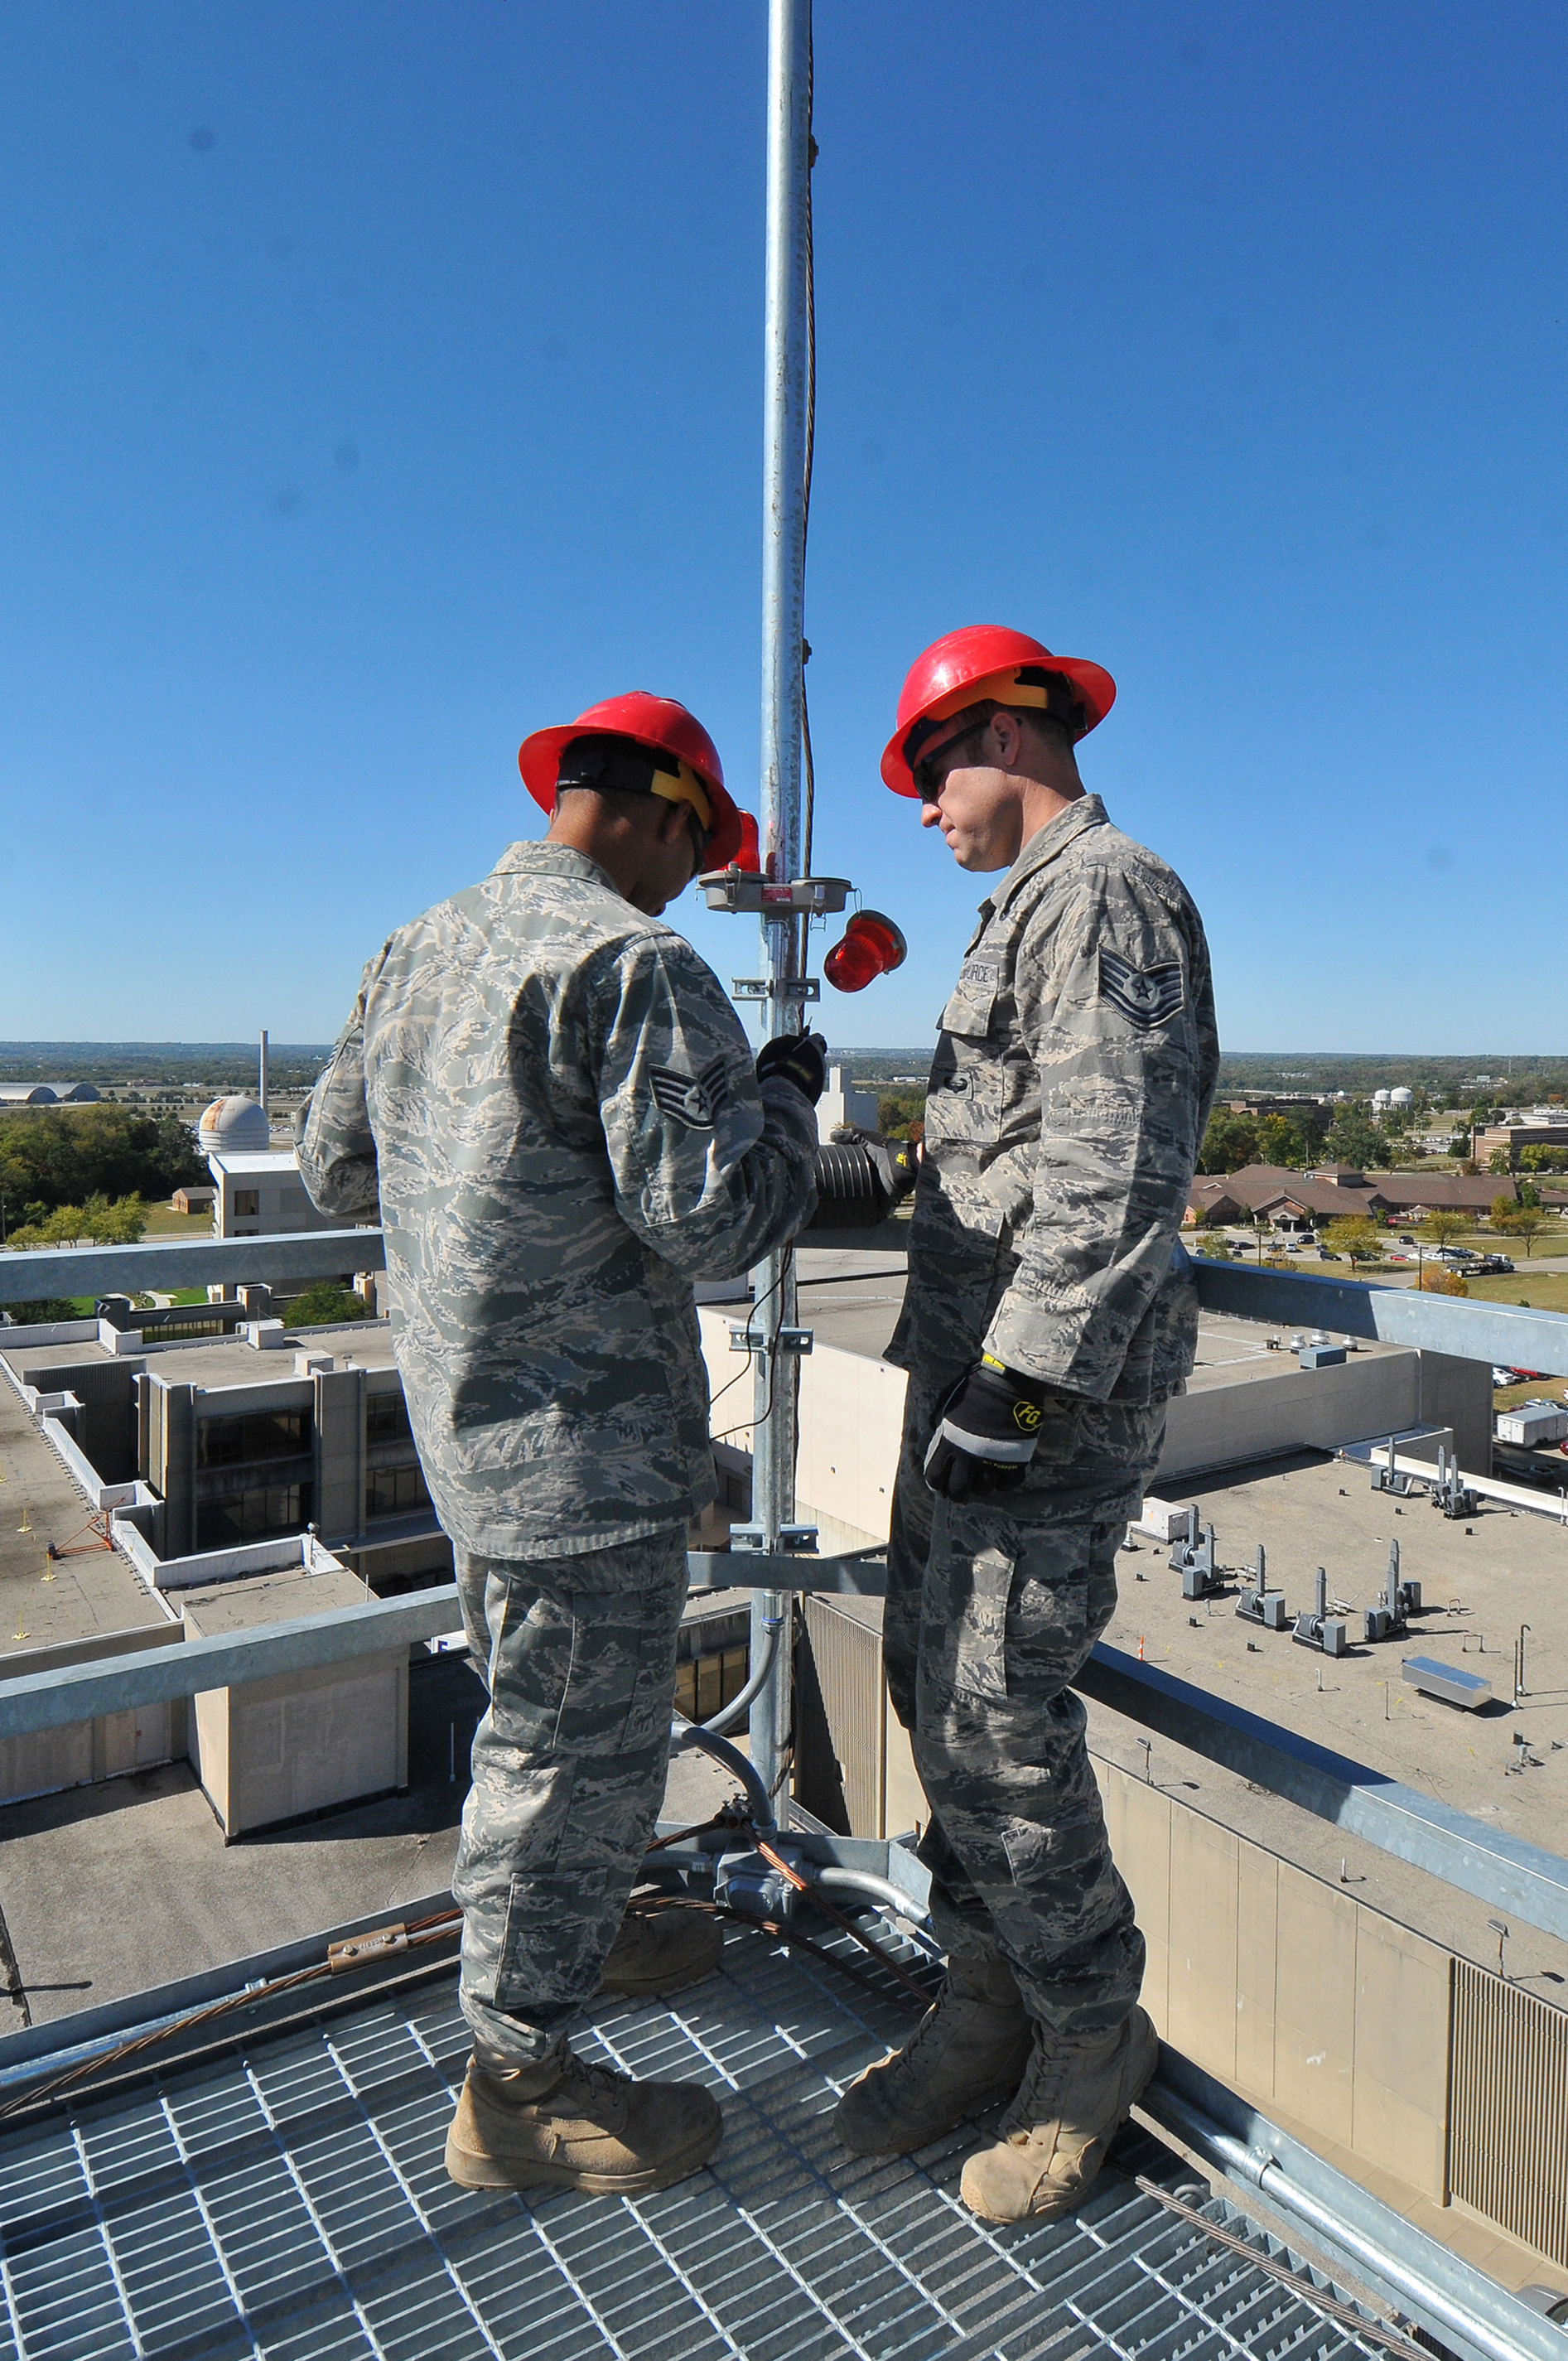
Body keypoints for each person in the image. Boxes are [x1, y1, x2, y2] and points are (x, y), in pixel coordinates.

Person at [298, 693, 824, 2198]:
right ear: (656, 808)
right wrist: (780, 1103)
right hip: (582, 1456)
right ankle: (518, 2080)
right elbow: (712, 1216)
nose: (689, 874)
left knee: (556, 1733)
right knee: (561, 1757)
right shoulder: (636, 961)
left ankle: (579, 1930)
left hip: (468, 1436)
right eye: (694, 843)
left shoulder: (418, 943)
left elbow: (337, 1161)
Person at [834, 627, 1218, 2223]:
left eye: (933, 767)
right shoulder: (1019, 913)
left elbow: (1116, 1164)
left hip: (1036, 1402)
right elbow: (1004, 1152)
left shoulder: (1110, 890)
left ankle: (1082, 2035)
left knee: (999, 1716)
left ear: (1008, 729)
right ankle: (980, 1992)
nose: (923, 808)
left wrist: (1022, 1381)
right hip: (965, 1378)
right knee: (930, 1691)